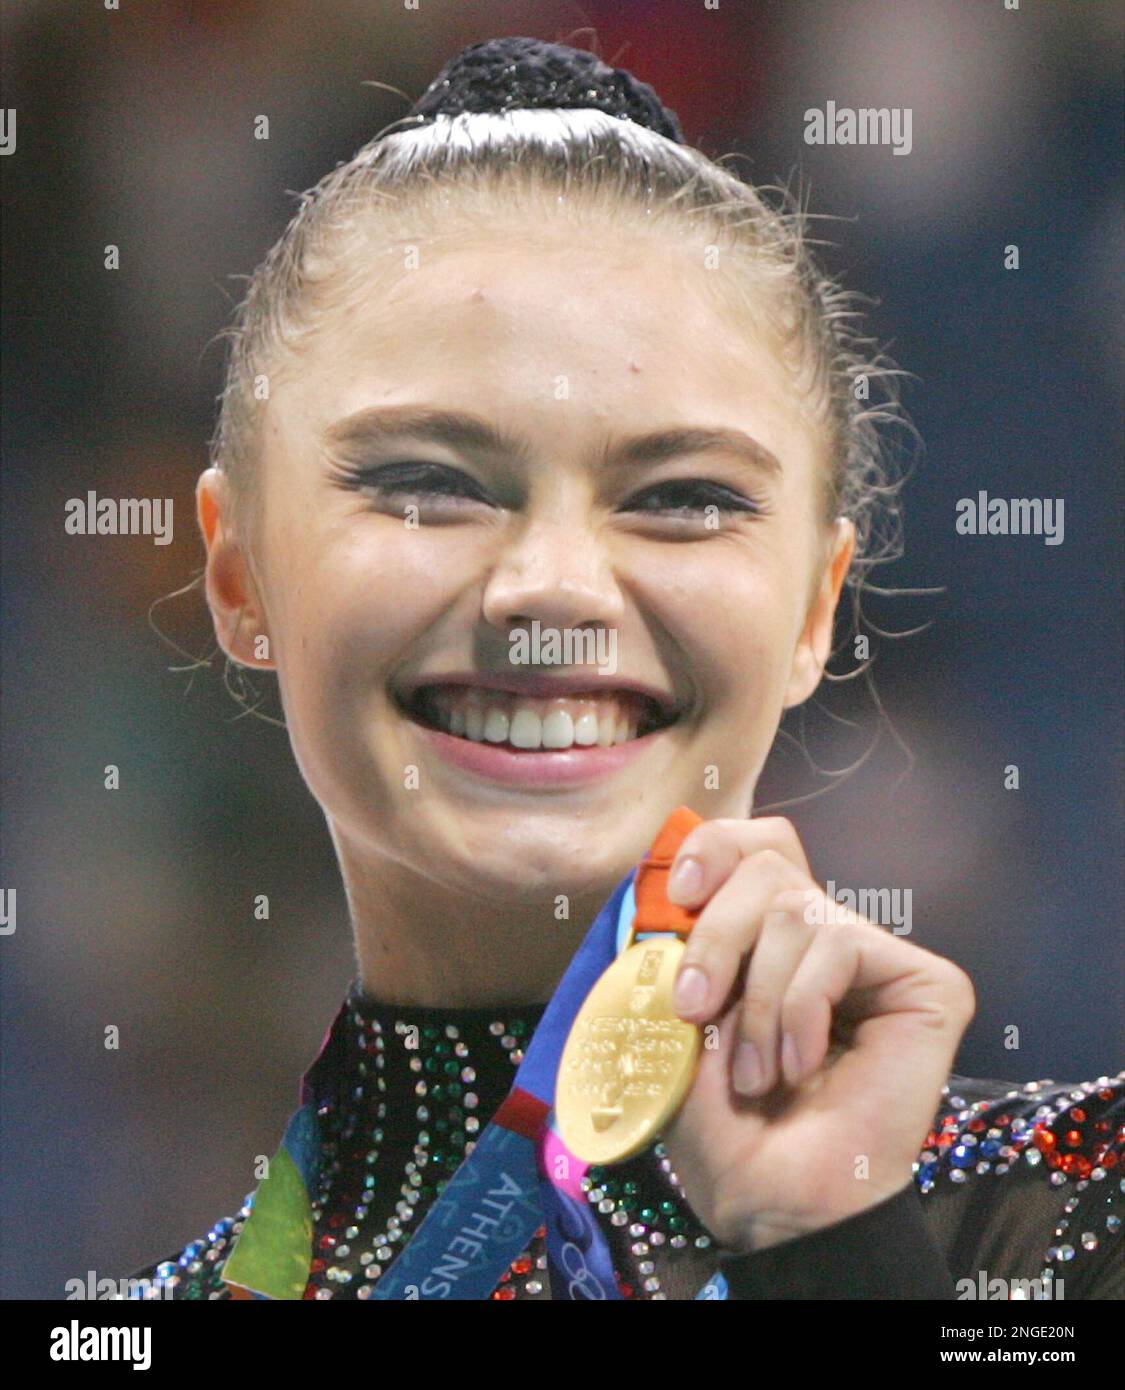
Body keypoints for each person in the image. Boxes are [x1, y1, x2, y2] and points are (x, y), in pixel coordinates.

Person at [130, 36, 1122, 1301]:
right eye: (429, 484)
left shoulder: (1066, 1213)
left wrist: (837, 1250)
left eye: (682, 497)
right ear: (239, 577)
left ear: (818, 607)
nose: (550, 584)